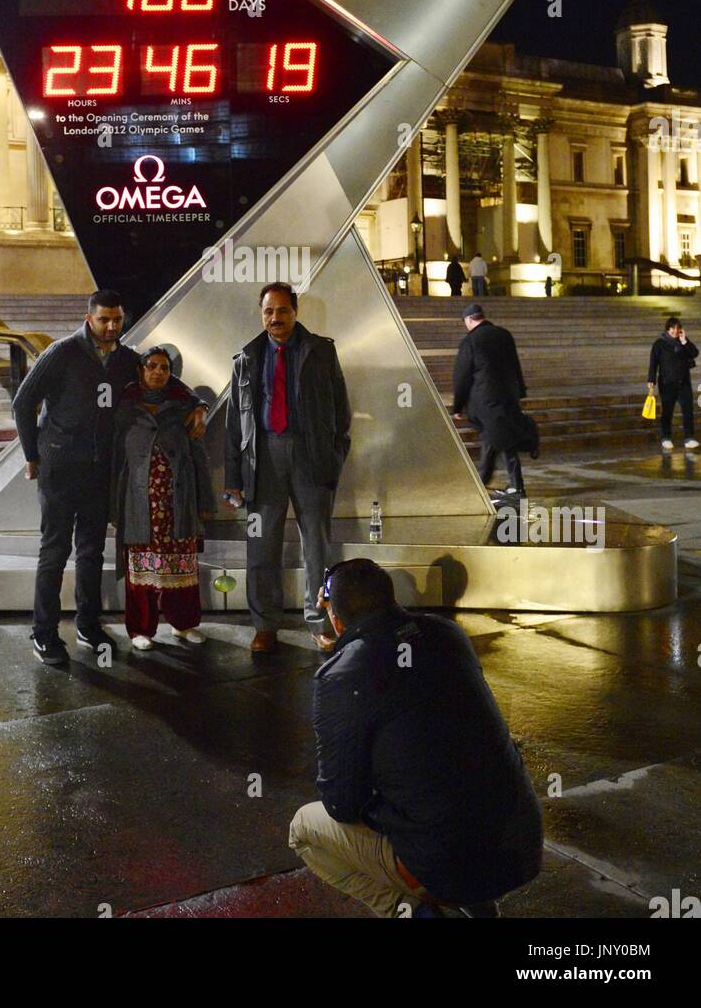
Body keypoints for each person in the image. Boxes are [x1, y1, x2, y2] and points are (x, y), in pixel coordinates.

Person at [289, 558, 543, 919]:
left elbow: (341, 804)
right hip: (522, 844)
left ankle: (409, 911)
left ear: (334, 616)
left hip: (446, 864)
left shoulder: (342, 675)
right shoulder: (446, 633)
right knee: (449, 788)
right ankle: (479, 909)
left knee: (303, 828)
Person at [13, 290, 206, 666]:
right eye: (104, 320)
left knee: (90, 552)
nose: (112, 326)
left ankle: (88, 625)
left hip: (99, 470)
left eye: (117, 320)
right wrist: (32, 455)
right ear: (89, 319)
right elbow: (23, 401)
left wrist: (197, 405)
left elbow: (162, 379)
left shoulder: (123, 358)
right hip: (61, 466)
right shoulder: (62, 352)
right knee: (54, 551)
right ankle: (44, 633)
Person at [224, 282, 351, 654]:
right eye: (268, 311)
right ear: (261, 314)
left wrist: (334, 457)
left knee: (317, 548)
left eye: (282, 311)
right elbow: (235, 424)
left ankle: (321, 622)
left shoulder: (322, 352)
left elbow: (341, 412)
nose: (275, 318)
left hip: (311, 458)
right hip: (263, 460)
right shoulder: (246, 358)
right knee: (261, 547)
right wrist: (234, 478)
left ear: (295, 312)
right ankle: (265, 625)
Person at [111, 347, 214, 650]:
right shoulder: (125, 407)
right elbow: (115, 463)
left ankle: (184, 624)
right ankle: (141, 629)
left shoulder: (183, 407)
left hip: (177, 504)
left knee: (182, 566)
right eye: (151, 366)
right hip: (139, 504)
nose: (157, 372)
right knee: (141, 569)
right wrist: (113, 508)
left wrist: (206, 503)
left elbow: (199, 457)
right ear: (141, 370)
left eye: (164, 368)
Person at [452, 302, 527, 499]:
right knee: (494, 437)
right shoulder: (504, 335)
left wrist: (457, 406)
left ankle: (512, 486)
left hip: (486, 400)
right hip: (508, 396)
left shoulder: (471, 341)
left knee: (498, 438)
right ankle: (487, 481)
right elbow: (515, 364)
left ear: (469, 320)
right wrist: (520, 392)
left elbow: (462, 376)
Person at [648, 316, 699, 452]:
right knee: (667, 411)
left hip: (684, 383)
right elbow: (653, 363)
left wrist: (684, 341)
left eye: (677, 328)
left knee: (688, 410)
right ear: (667, 329)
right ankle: (666, 437)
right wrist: (651, 380)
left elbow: (695, 353)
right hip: (667, 383)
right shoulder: (659, 344)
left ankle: (689, 437)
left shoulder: (683, 342)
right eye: (673, 328)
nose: (675, 331)